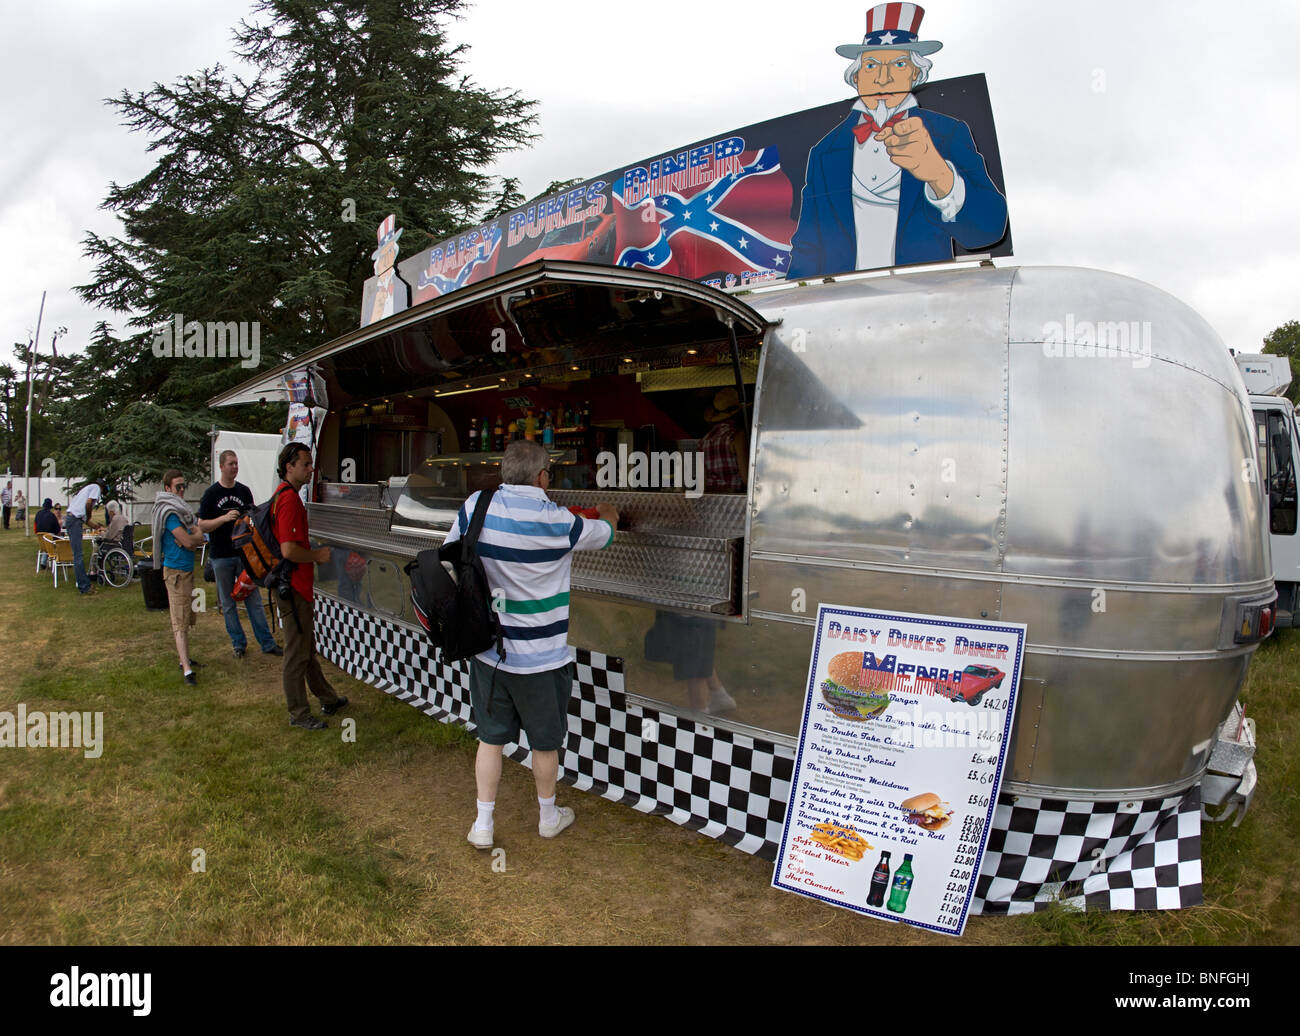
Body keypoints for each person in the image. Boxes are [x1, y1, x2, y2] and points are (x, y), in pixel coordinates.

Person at [445, 440, 619, 850]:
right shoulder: (557, 521)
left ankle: (483, 824)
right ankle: (547, 817)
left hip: (489, 651)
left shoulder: (476, 506)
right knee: (544, 744)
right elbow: (607, 534)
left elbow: (449, 556)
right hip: (543, 660)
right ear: (542, 477)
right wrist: (608, 510)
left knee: (490, 740)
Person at [786, 4, 1007, 280]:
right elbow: (808, 245)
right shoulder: (824, 151)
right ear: (856, 76)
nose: (883, 78)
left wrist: (939, 175)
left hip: (923, 294)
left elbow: (989, 229)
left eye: (899, 64)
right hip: (845, 297)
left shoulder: (948, 133)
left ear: (916, 73)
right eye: (871, 66)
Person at [271, 442, 347, 730]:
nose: (311, 469)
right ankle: (299, 714)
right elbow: (289, 550)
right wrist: (317, 555)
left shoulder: (284, 495)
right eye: (305, 464)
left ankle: (328, 698)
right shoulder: (289, 500)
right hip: (293, 586)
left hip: (294, 585)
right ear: (289, 466)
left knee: (306, 648)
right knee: (297, 653)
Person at [152, 470, 241, 684]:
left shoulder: (181, 510)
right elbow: (191, 540)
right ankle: (187, 670)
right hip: (175, 573)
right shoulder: (170, 513)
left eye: (184, 486)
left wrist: (192, 538)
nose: (182, 490)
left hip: (186, 571)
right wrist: (191, 538)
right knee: (180, 622)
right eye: (178, 487)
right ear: (168, 489)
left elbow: (199, 534)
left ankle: (185, 659)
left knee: (187, 616)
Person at [200, 450, 282, 660]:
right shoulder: (211, 494)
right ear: (221, 466)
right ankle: (238, 644)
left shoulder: (244, 491)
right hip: (221, 556)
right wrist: (224, 518)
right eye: (231, 464)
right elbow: (202, 525)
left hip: (245, 556)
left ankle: (267, 643)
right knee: (228, 603)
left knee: (253, 600)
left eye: (236, 463)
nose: (235, 467)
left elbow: (252, 519)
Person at [65, 480, 104, 595]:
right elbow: (88, 503)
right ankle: (84, 586)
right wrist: (90, 514)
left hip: (73, 519)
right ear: (102, 488)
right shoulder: (96, 487)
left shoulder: (86, 490)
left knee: (78, 555)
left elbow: (85, 520)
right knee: (78, 555)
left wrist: (96, 527)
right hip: (74, 521)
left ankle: (83, 583)